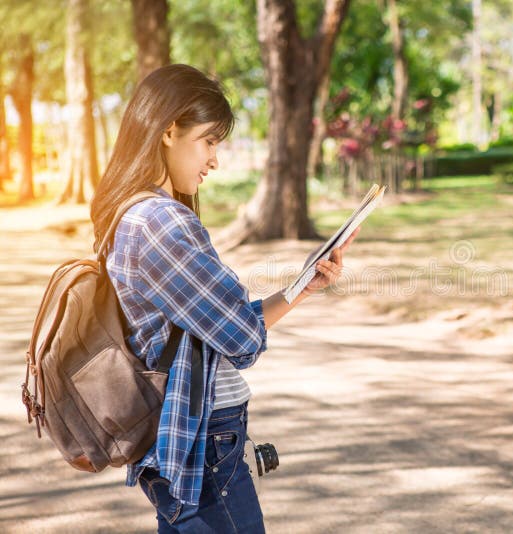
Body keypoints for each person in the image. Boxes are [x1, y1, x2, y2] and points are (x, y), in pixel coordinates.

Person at [89, 64, 359, 533]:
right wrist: (240, 314)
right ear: (170, 130)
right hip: (204, 441)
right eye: (209, 141)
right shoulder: (159, 221)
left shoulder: (133, 214)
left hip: (190, 437)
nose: (214, 160)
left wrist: (301, 286)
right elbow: (240, 339)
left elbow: (215, 330)